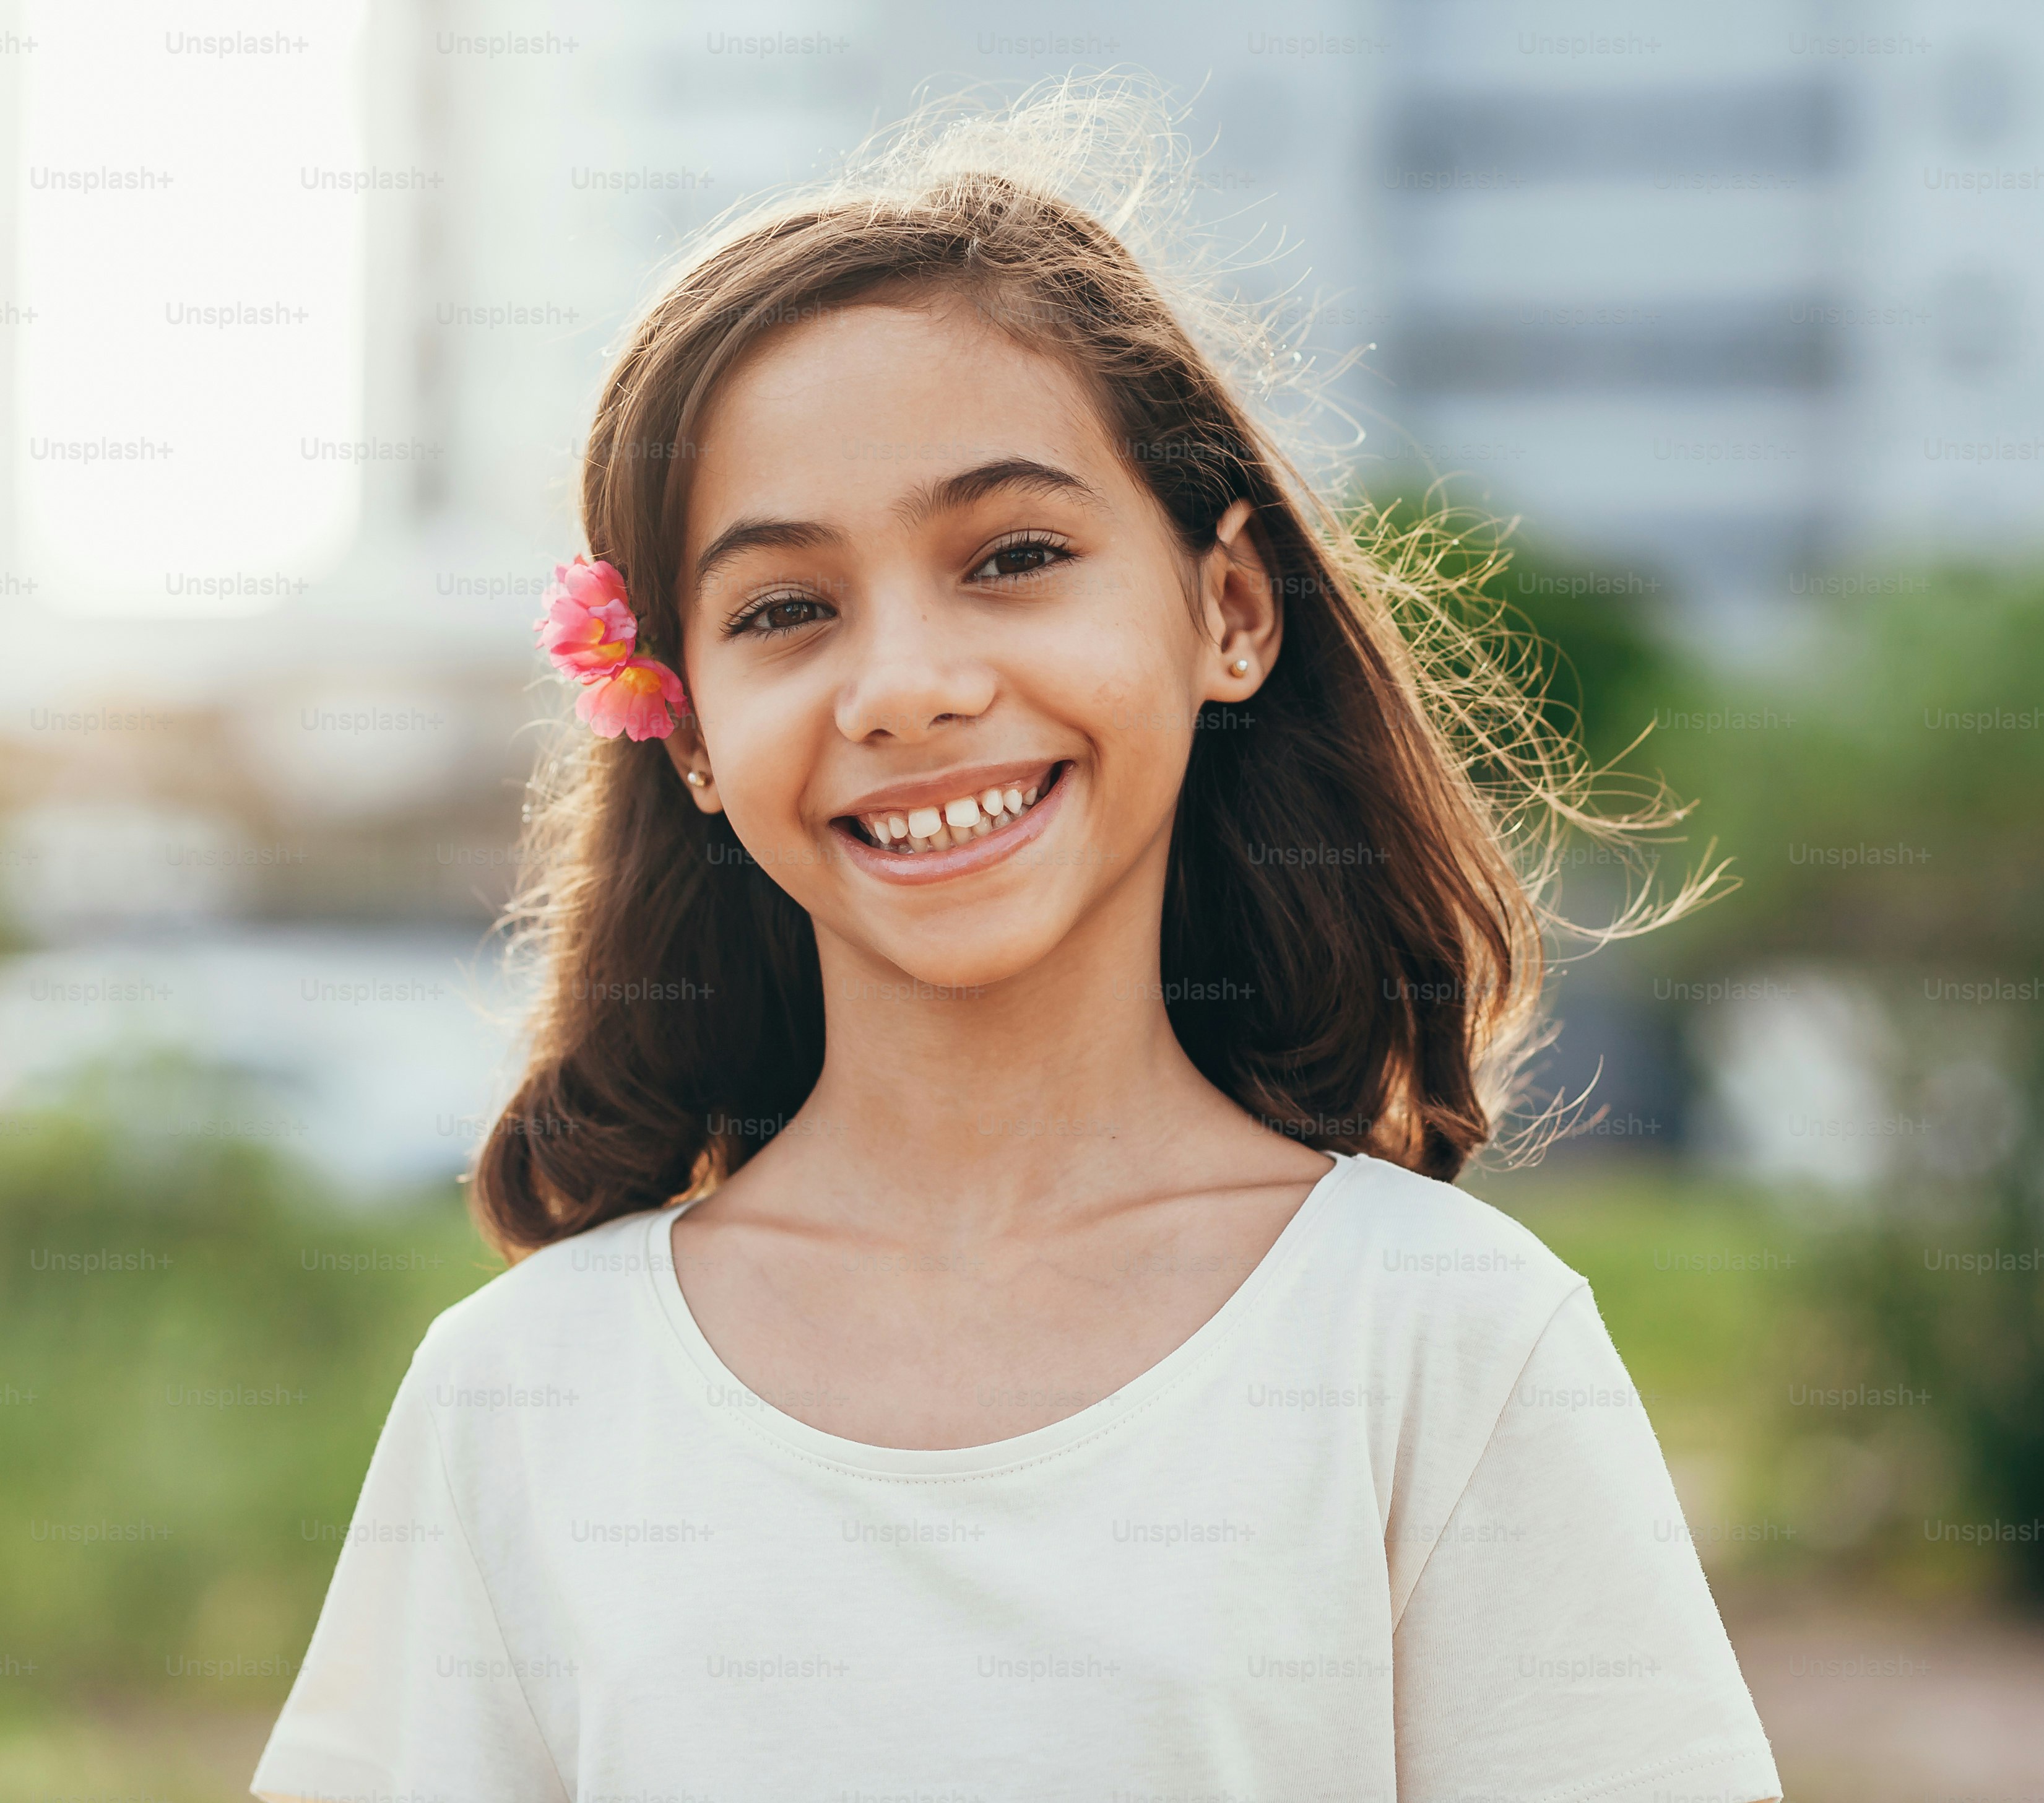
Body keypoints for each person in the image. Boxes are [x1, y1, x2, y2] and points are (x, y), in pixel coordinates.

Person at [253, 80, 1782, 1803]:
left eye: (1016, 555)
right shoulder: (524, 1403)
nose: (908, 686)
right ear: (682, 731)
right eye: (785, 610)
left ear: (1229, 610)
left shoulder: (1441, 1346)